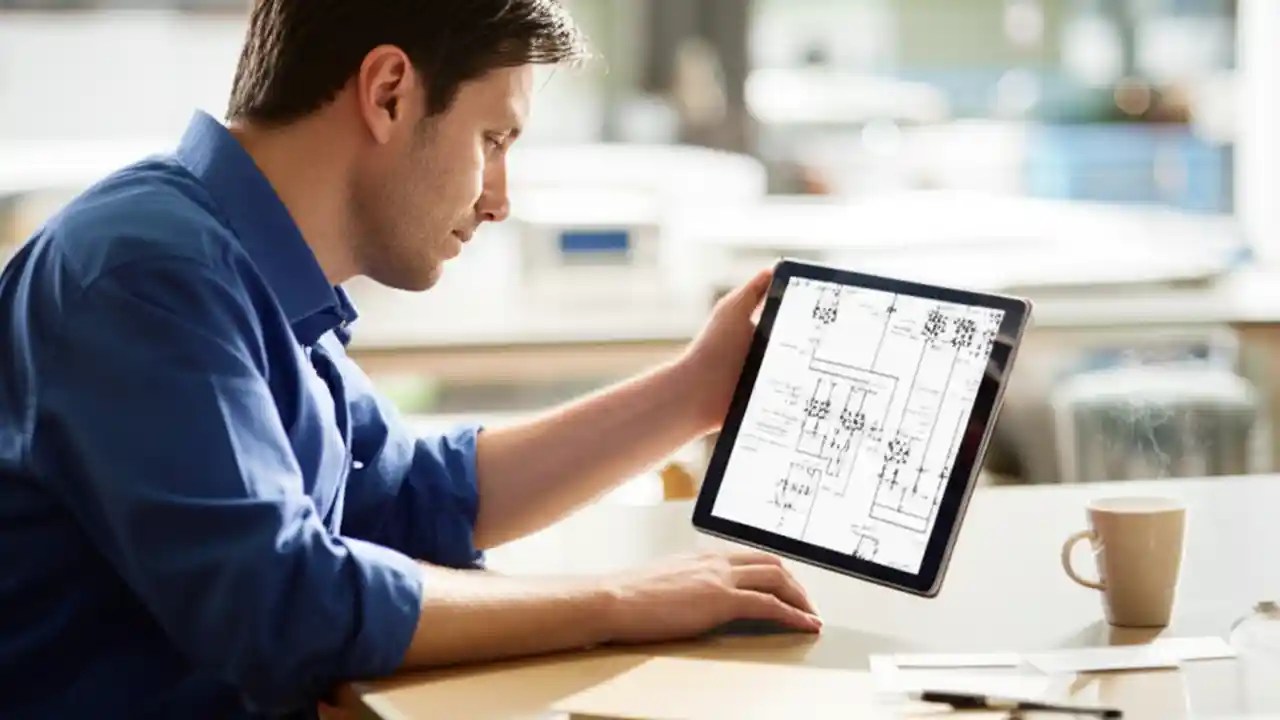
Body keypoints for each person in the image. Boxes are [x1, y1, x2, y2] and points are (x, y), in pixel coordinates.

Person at [0, 1, 820, 717]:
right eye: (492, 138)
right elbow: (281, 608)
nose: (501, 198)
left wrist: (692, 393)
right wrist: (618, 602)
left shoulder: (247, 265)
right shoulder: (149, 272)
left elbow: (410, 499)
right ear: (389, 92)